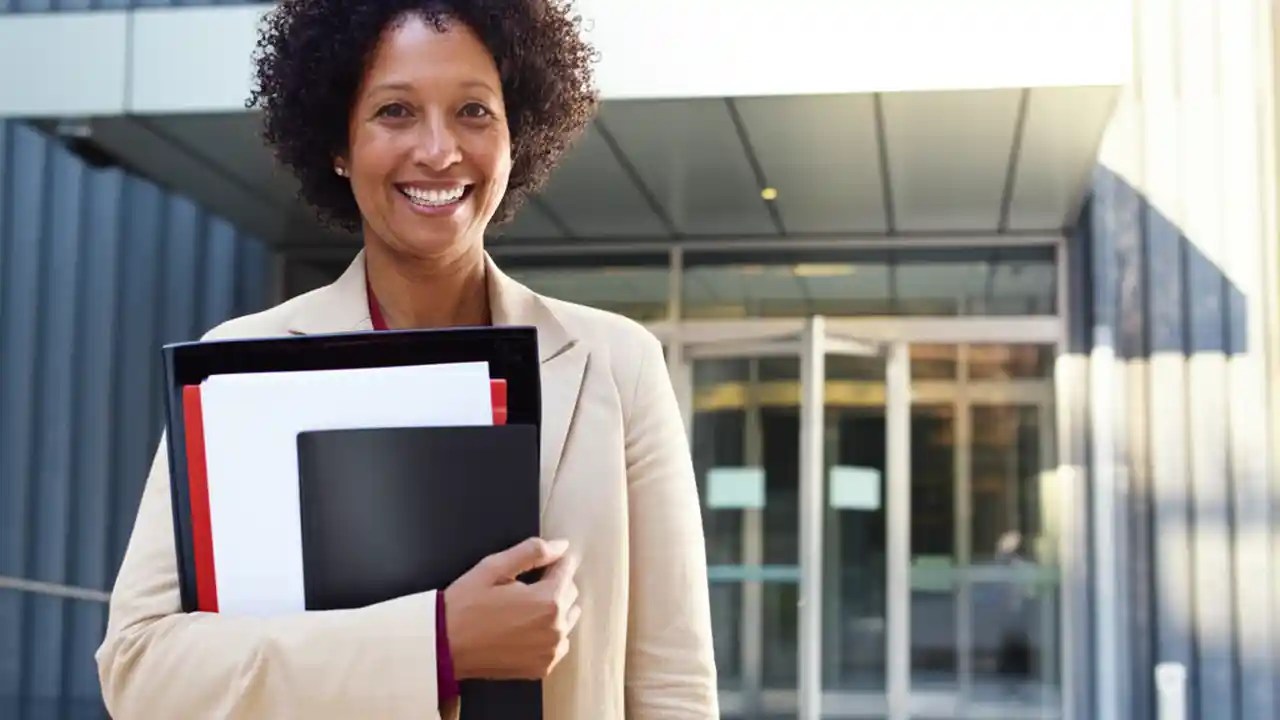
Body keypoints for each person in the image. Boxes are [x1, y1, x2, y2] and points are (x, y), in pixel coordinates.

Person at [94, 1, 719, 718]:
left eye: (475, 113)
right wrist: (436, 644)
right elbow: (139, 669)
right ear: (338, 143)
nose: (439, 150)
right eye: (395, 111)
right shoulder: (237, 366)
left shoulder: (617, 365)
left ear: (518, 139)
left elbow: (672, 685)